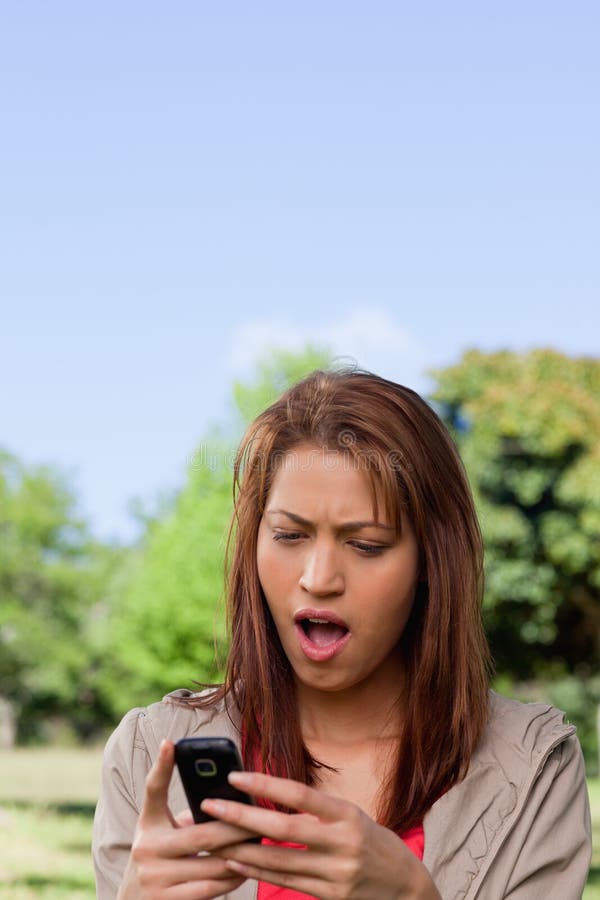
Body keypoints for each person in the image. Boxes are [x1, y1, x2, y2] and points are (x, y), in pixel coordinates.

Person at [93, 368, 592, 900]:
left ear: (432, 560)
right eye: (288, 535)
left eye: (367, 544)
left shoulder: (536, 763)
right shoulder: (148, 754)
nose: (318, 578)